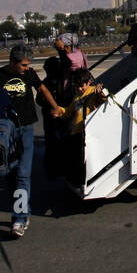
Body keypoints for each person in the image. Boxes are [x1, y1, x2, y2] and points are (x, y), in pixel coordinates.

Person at [0, 45, 64, 238]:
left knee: (23, 175)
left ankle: (19, 218)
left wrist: (55, 107)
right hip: (5, 132)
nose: (27, 68)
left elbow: (43, 89)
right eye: (24, 65)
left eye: (28, 65)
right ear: (12, 62)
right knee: (9, 173)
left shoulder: (30, 74)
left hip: (25, 129)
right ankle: (23, 210)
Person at [40, 33, 88, 181]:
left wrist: (61, 50)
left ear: (68, 45)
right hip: (69, 101)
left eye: (61, 42)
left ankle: (70, 170)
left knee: (71, 138)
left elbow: (68, 63)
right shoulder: (71, 54)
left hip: (73, 101)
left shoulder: (75, 56)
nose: (57, 43)